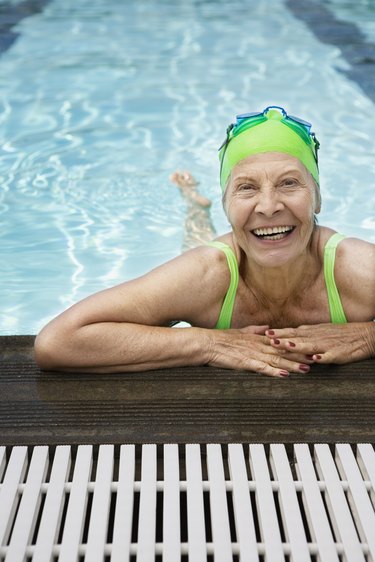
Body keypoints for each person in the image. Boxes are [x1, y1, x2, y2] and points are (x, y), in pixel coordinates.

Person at [34, 105, 375, 377]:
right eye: (246, 187)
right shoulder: (206, 274)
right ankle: (195, 206)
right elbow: (58, 342)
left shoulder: (354, 267)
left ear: (317, 197)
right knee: (196, 242)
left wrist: (367, 337)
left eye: (289, 183)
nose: (269, 206)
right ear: (228, 205)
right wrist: (207, 343)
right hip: (216, 263)